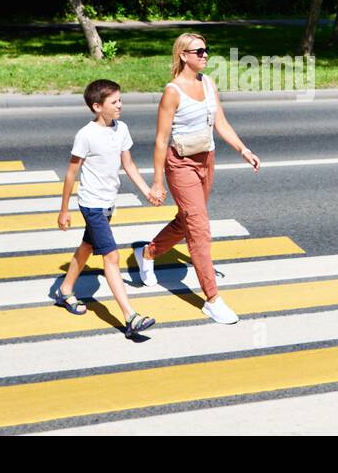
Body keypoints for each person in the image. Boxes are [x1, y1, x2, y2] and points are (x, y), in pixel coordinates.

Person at [133, 33, 261, 324]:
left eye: (206, 50)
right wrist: (157, 182)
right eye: (199, 51)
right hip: (180, 164)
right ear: (183, 55)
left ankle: (147, 253)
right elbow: (161, 140)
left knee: (187, 221)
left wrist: (243, 150)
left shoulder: (209, 83)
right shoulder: (173, 92)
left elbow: (221, 123)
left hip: (206, 160)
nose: (205, 55)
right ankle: (212, 300)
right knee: (200, 229)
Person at [56, 79, 159, 338]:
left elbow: (129, 164)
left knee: (87, 247)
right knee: (111, 257)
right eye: (114, 102)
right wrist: (64, 209)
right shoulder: (86, 135)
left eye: (120, 100)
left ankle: (65, 290)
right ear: (97, 107)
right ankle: (130, 317)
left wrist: (146, 191)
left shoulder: (121, 128)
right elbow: (71, 173)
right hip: (91, 204)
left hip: (108, 203)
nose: (120, 105)